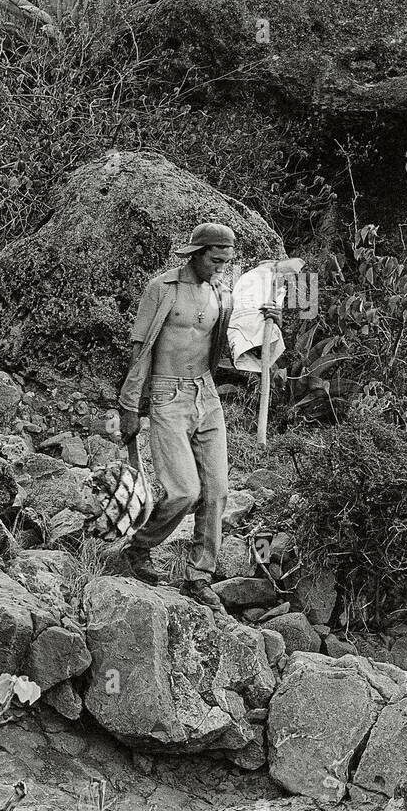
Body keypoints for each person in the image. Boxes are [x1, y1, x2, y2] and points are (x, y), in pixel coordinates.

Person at [117, 222, 281, 581]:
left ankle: (199, 576)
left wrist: (271, 322)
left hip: (206, 395)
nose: (220, 266)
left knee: (217, 493)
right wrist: (130, 406)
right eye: (215, 259)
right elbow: (139, 349)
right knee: (184, 492)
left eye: (226, 261)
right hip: (166, 394)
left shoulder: (223, 296)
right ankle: (140, 546)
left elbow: (245, 343)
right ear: (196, 253)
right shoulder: (162, 289)